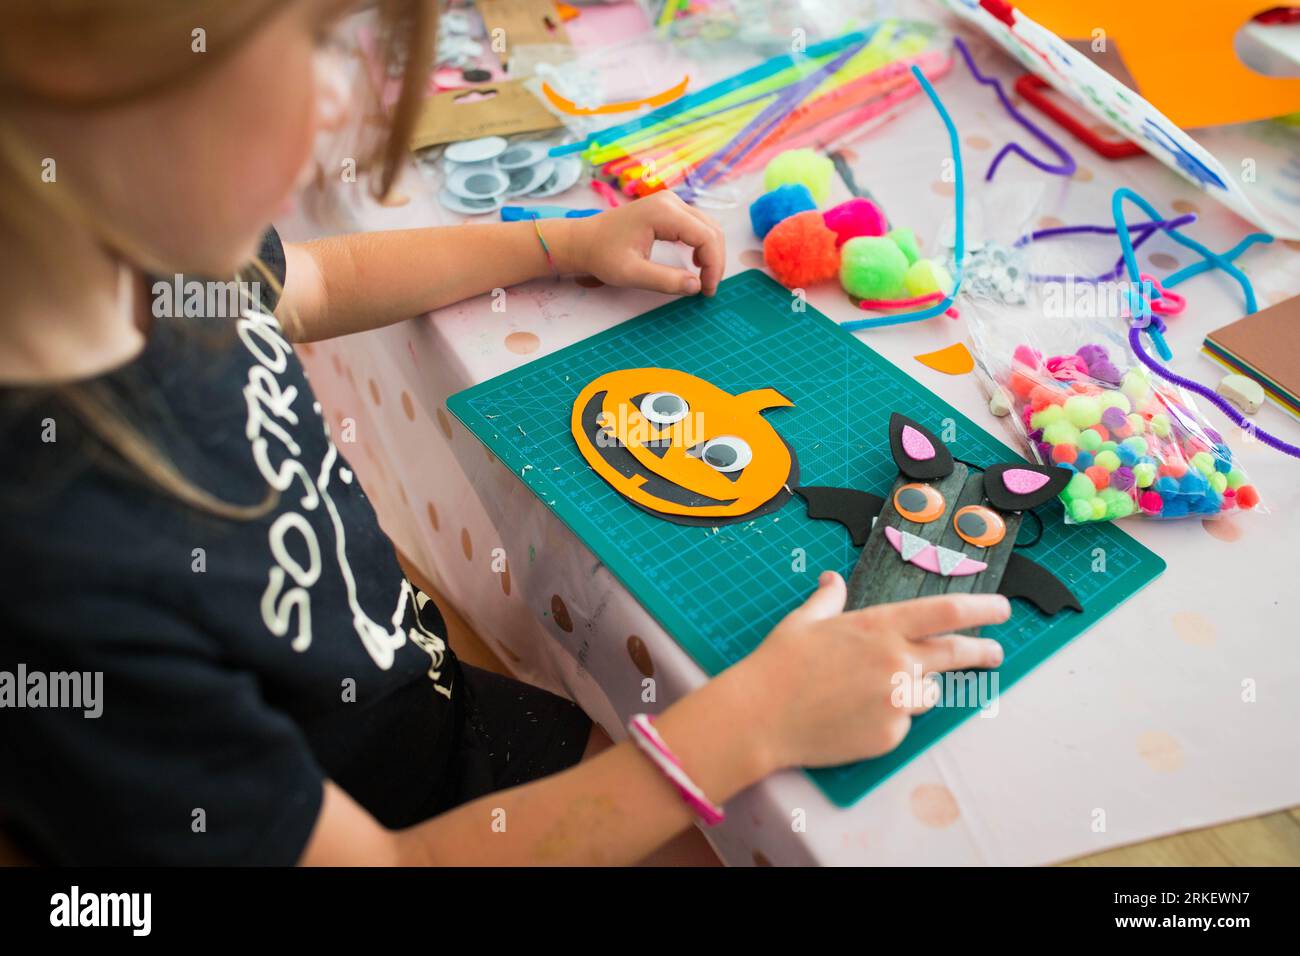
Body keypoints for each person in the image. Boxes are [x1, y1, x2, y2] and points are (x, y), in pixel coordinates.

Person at [0, 0, 1008, 865]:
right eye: (298, 44)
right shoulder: (61, 585)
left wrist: (553, 241)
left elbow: (312, 283)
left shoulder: (139, 247)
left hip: (421, 717)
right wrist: (750, 724)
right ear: (80, 92)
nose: (343, 102)